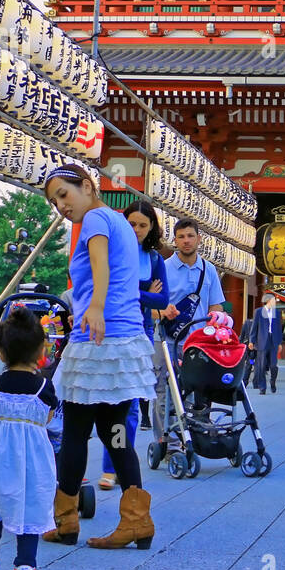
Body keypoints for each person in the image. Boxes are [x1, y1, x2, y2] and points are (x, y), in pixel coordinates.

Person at [41, 165, 156, 550]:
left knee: (75, 432)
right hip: (123, 341)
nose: (61, 205)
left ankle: (67, 521)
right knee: (116, 432)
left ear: (87, 186)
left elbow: (99, 266)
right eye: (55, 200)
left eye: (63, 194)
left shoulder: (93, 220)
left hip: (96, 341)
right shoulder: (120, 222)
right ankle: (137, 522)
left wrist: (96, 307)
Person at [0, 308, 58, 570]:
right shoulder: (44, 386)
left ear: (1, 354)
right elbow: (48, 417)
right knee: (30, 502)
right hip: (34, 457)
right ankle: (25, 567)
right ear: (40, 351)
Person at [99, 201, 168, 490]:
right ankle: (109, 464)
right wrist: (142, 292)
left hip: (138, 335)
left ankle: (116, 465)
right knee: (109, 401)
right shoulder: (110, 252)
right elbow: (106, 288)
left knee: (129, 406)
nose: (137, 230)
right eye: (132, 224)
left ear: (151, 228)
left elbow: (162, 300)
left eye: (143, 225)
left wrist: (132, 293)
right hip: (110, 332)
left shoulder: (153, 260)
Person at [152, 219, 225, 445]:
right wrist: (163, 311)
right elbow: (149, 307)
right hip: (166, 340)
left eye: (190, 236)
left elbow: (216, 305)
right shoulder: (162, 267)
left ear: (198, 239)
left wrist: (216, 320)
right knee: (164, 390)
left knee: (195, 391)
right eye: (181, 236)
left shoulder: (208, 269)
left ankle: (192, 438)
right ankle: (168, 441)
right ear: (175, 240)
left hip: (198, 342)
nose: (186, 241)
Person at [250, 292, 282, 394]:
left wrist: (280, 342)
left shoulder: (277, 312)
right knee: (261, 365)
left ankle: (273, 382)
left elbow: (279, 328)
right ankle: (262, 387)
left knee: (273, 365)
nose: (275, 302)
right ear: (268, 300)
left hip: (274, 341)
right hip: (262, 341)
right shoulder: (259, 312)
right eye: (274, 300)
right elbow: (254, 327)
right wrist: (252, 340)